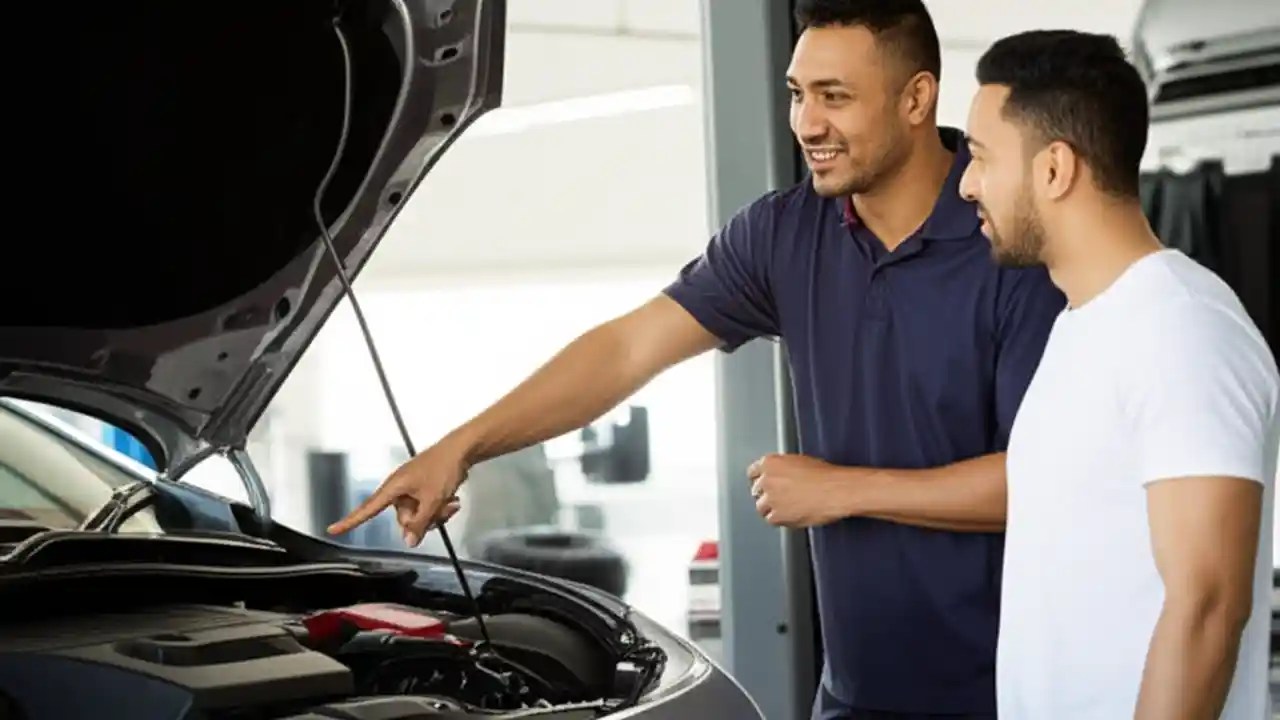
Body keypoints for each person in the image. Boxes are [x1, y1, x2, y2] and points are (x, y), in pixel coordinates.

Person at [329, 1, 1065, 717]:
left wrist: (845, 490)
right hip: (851, 694)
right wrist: (461, 448)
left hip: (1006, 694)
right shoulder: (782, 234)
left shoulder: (1009, 235)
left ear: (916, 98)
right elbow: (625, 349)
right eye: (797, 93)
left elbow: (1044, 481)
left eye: (835, 97)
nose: (809, 123)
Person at [958, 30, 1280, 720]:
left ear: (1054, 170)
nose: (967, 183)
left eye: (981, 158)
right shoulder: (1079, 325)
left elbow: (1208, 607)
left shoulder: (1182, 327)